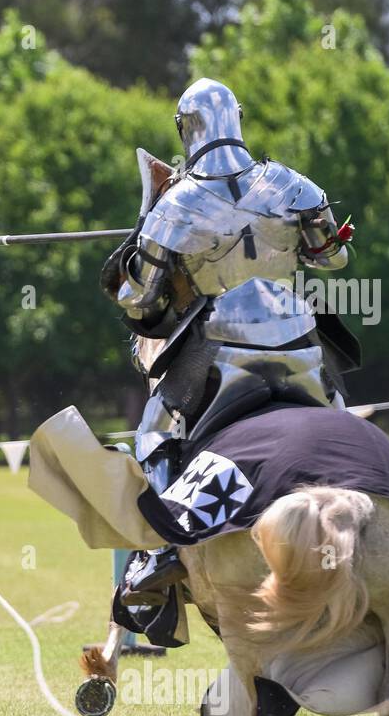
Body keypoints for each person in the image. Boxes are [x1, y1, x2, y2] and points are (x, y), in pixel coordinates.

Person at [100, 77, 358, 607]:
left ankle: (165, 550)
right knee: (340, 424)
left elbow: (140, 302)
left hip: (219, 350)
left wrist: (136, 249)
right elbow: (334, 258)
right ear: (236, 120)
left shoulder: (175, 207)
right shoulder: (294, 186)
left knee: (154, 432)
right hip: (297, 343)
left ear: (187, 129)